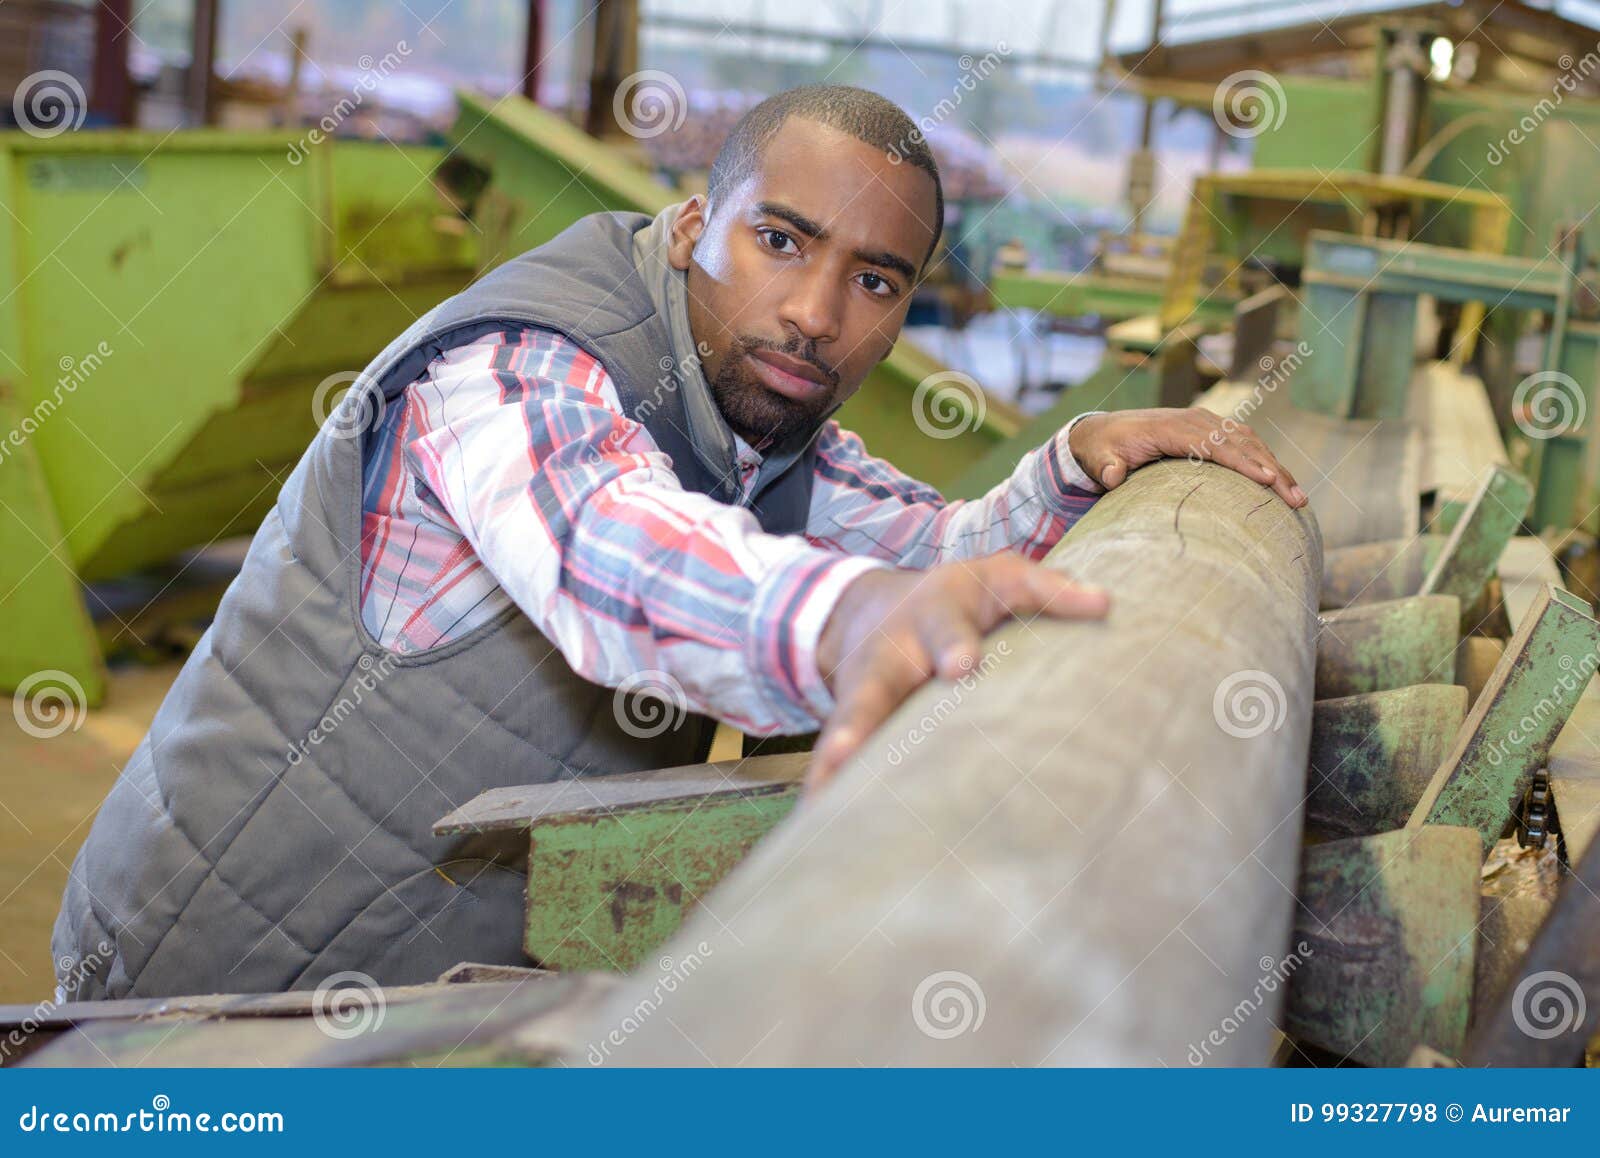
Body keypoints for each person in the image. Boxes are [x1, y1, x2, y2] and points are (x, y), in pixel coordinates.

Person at [54, 84, 1303, 1000]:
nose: (815, 315)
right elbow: (612, 552)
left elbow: (938, 544)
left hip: (412, 1012)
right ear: (698, 218)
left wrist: (1078, 461)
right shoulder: (520, 364)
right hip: (190, 992)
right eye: (780, 242)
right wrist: (845, 618)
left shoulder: (755, 434)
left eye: (875, 281)